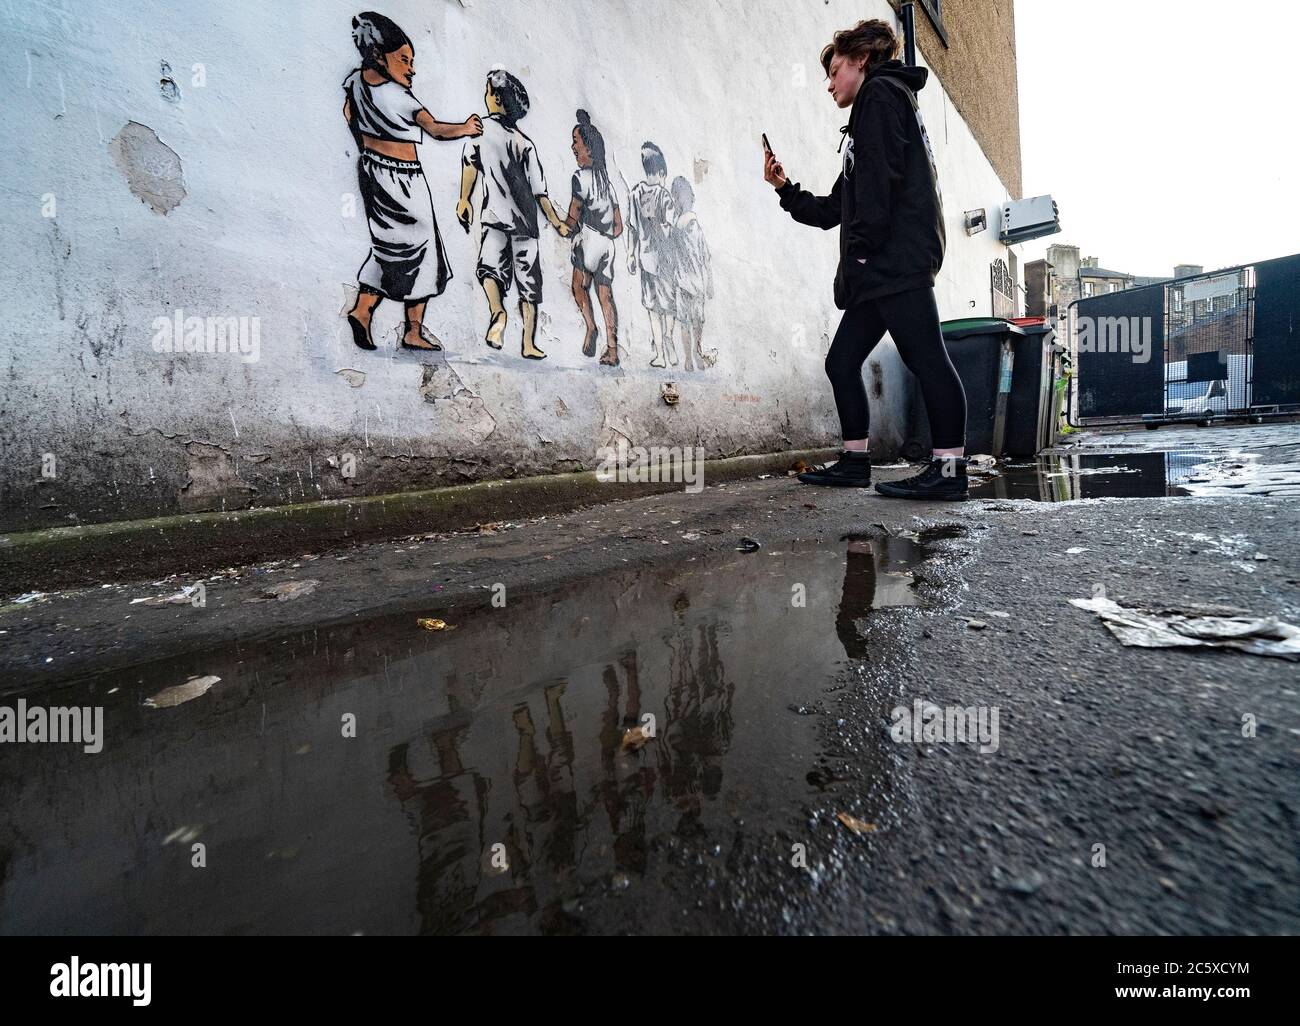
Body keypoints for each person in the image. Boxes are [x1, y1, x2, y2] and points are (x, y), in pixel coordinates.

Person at [765, 19, 971, 501]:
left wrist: (858, 260)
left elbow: (877, 193)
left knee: (928, 361)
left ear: (860, 59)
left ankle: (947, 473)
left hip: (892, 264)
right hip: (880, 268)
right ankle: (855, 461)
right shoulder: (872, 110)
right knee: (842, 362)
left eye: (834, 71)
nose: (830, 83)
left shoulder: (880, 97)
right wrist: (784, 187)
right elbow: (837, 207)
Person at [342, 12, 482, 353]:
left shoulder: (356, 82)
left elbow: (349, 114)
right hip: (404, 180)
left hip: (372, 171)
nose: (411, 68)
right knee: (423, 251)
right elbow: (434, 129)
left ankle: (363, 310)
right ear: (378, 54)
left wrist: (365, 145)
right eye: (404, 60)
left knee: (388, 247)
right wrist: (465, 128)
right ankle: (413, 330)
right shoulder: (398, 96)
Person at [457, 70, 570, 361]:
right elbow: (540, 192)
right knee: (529, 286)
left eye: (487, 92)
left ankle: (497, 311)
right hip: (527, 225)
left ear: (495, 98)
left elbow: (471, 166)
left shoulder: (479, 131)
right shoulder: (525, 143)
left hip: (494, 218)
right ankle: (529, 343)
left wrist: (463, 200)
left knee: (490, 270)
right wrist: (556, 222)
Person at [563, 109, 624, 367]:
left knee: (579, 286)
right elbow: (619, 226)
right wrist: (606, 236)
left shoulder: (580, 178)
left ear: (588, 148)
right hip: (607, 245)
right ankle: (612, 349)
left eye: (576, 142)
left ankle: (590, 326)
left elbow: (573, 217)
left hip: (587, 240)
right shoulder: (606, 182)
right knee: (606, 296)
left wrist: (562, 225)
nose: (572, 147)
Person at [627, 143, 677, 368]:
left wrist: (630, 254)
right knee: (668, 306)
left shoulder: (635, 194)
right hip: (664, 261)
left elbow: (632, 229)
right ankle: (668, 340)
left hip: (646, 260)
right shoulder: (664, 195)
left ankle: (659, 353)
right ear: (661, 172)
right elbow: (670, 228)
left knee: (652, 308)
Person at [666, 177, 716, 371]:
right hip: (684, 282)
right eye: (680, 196)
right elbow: (673, 255)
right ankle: (689, 356)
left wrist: (709, 283)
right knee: (687, 322)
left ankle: (696, 351)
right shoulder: (680, 224)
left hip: (696, 282)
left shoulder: (693, 225)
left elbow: (706, 258)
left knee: (696, 321)